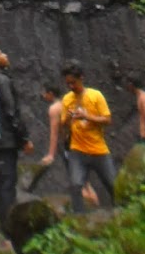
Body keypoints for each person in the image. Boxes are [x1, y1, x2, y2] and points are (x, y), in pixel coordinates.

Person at [0, 44, 33, 232]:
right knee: (8, 183)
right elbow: (11, 111)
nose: (5, 54)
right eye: (1, 53)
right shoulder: (2, 81)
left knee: (2, 182)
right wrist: (24, 138)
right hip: (6, 139)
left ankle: (5, 225)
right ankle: (10, 229)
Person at [61, 59, 116, 213]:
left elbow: (107, 119)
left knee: (112, 185)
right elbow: (64, 125)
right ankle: (80, 221)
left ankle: (121, 215)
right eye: (68, 84)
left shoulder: (95, 95)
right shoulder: (67, 99)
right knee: (76, 185)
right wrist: (67, 121)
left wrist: (87, 116)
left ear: (81, 78)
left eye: (73, 82)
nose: (71, 86)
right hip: (77, 150)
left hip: (98, 149)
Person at [38, 82, 96, 207]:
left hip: (71, 146)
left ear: (51, 94)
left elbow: (54, 133)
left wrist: (51, 155)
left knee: (77, 182)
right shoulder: (68, 103)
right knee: (86, 182)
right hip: (84, 144)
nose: (43, 96)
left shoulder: (54, 109)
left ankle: (88, 214)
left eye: (44, 93)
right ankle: (97, 209)